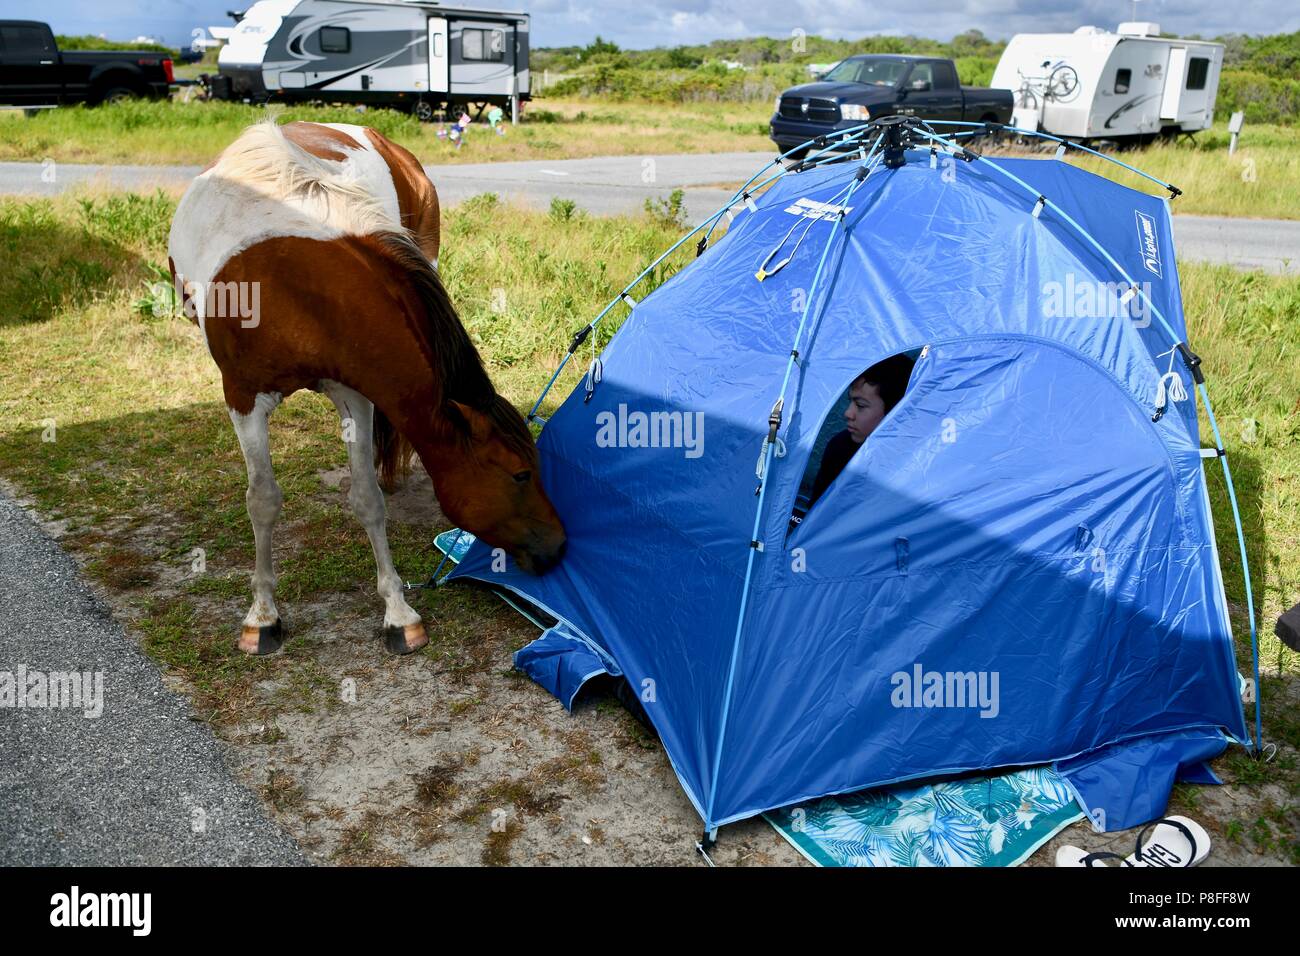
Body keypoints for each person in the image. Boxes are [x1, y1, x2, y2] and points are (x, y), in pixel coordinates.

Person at [791, 353, 915, 529]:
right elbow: (816, 518)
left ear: (895, 412)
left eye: (861, 405)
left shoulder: (917, 460)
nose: (848, 413)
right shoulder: (840, 447)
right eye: (851, 402)